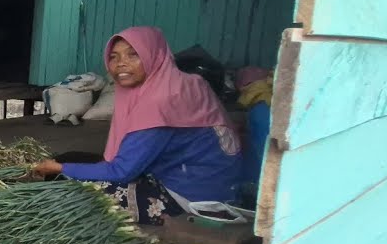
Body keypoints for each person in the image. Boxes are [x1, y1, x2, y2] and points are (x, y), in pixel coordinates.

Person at [32, 26, 241, 225]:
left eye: (133, 55)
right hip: (216, 183)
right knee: (73, 158)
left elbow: (122, 171)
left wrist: (59, 168)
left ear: (153, 56)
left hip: (194, 196)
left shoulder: (159, 102)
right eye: (114, 57)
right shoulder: (183, 83)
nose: (121, 63)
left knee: (69, 185)